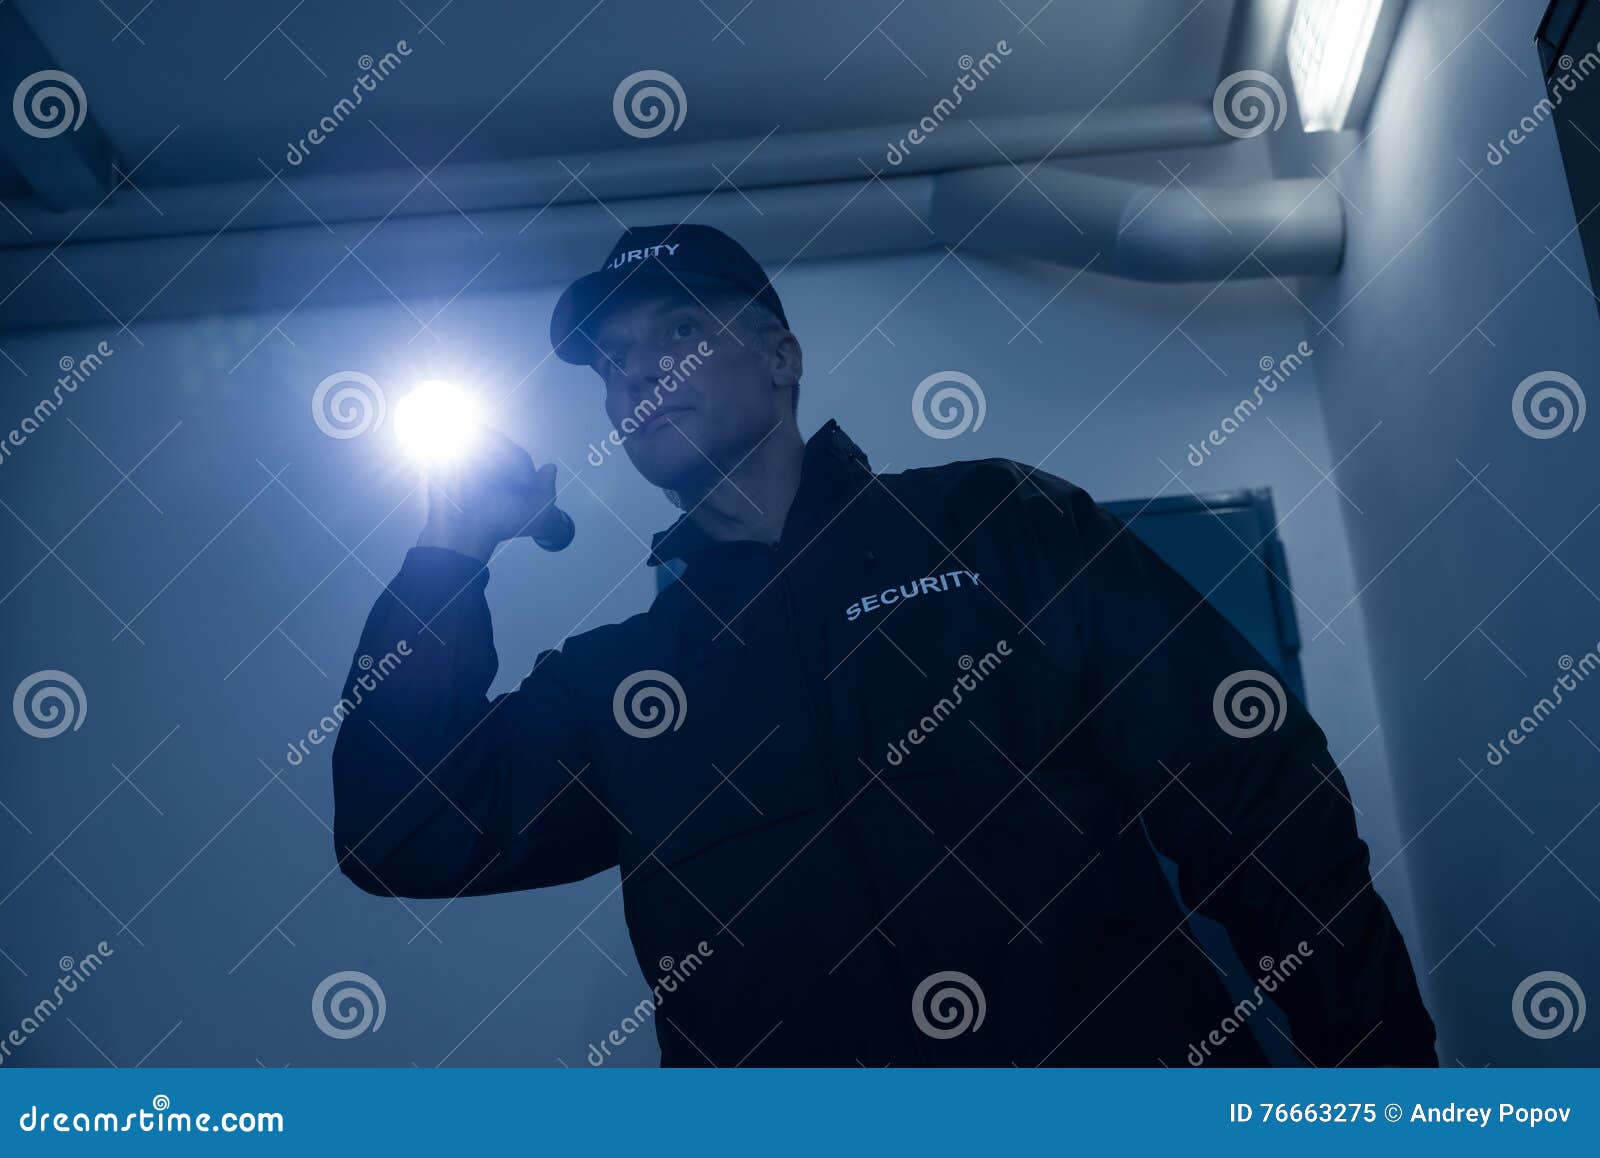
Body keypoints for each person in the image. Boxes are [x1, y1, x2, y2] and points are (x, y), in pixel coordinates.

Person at [330, 223, 1437, 1067]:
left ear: (780, 357)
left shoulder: (999, 527)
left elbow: (1258, 800)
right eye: (612, 358)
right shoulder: (622, 682)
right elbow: (402, 832)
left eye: (678, 331)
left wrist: (1385, 1080)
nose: (636, 372)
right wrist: (449, 554)